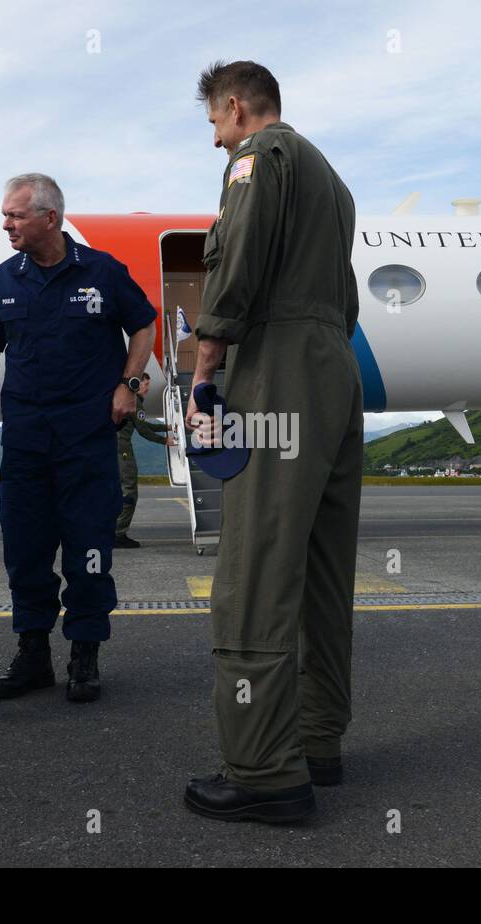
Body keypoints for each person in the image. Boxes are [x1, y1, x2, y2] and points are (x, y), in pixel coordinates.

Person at [182, 62, 363, 822]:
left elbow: (240, 269)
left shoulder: (256, 161)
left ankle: (263, 771)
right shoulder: (331, 178)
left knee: (256, 566)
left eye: (214, 124)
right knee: (323, 567)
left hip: (279, 368)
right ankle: (317, 741)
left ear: (234, 106)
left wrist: (204, 371)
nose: (215, 138)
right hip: (333, 368)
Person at [0, 174, 156, 703]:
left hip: (87, 438)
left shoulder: (102, 272)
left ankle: (85, 655)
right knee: (24, 550)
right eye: (5, 215)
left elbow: (144, 324)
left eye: (15, 216)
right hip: (26, 439)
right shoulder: (5, 279)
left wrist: (130, 384)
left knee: (89, 548)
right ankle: (33, 656)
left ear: (50, 217)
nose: (6, 224)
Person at [115, 373, 175, 548]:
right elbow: (143, 431)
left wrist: (166, 427)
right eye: (146, 384)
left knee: (119, 491)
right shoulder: (135, 402)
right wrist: (165, 440)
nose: (148, 388)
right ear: (137, 385)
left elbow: (143, 425)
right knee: (129, 492)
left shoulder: (128, 400)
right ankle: (118, 534)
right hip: (123, 452)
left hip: (114, 450)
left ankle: (112, 531)